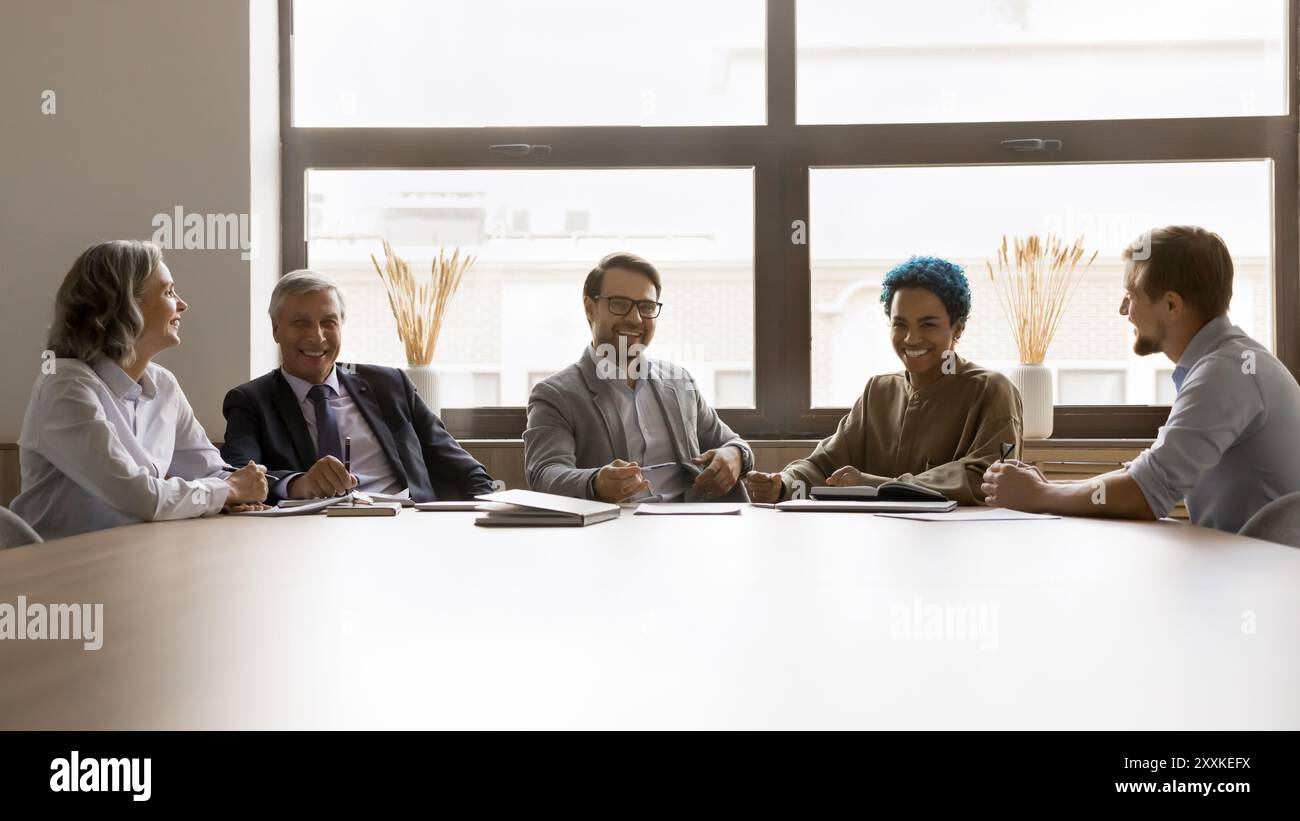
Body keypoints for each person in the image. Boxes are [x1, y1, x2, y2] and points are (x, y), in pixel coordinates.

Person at [982, 226, 1300, 533]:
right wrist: (1046, 487)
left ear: (1172, 305)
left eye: (1130, 294)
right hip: (1252, 567)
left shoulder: (1227, 372)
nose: (1123, 309)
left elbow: (1146, 493)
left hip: (1265, 576)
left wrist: (1038, 495)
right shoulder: (1227, 363)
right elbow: (1145, 479)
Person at [11, 241, 268, 540]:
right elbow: (140, 497)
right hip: (53, 569)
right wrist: (229, 490)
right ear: (124, 304)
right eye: (169, 292)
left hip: (128, 557)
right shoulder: (64, 384)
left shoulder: (164, 384)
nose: (182, 304)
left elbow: (210, 470)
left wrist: (238, 491)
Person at [746, 255, 1022, 504]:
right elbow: (823, 465)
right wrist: (782, 484)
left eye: (928, 324)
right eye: (900, 324)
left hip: (960, 546)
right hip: (879, 544)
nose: (911, 338)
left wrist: (875, 485)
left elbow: (986, 480)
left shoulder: (991, 391)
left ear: (957, 328)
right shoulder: (878, 391)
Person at [221, 269, 494, 502]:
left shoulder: (391, 385)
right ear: (276, 329)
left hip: (406, 528)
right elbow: (237, 476)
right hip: (308, 539)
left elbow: (463, 468)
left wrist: (486, 510)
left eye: (329, 322)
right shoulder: (250, 401)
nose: (317, 337)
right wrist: (298, 484)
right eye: (301, 323)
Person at [524, 252, 754, 503]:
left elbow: (732, 442)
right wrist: (595, 482)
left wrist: (735, 456)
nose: (634, 319)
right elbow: (544, 474)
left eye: (646, 307)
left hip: (693, 525)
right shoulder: (555, 395)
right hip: (613, 531)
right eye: (620, 304)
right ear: (589, 308)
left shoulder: (679, 382)